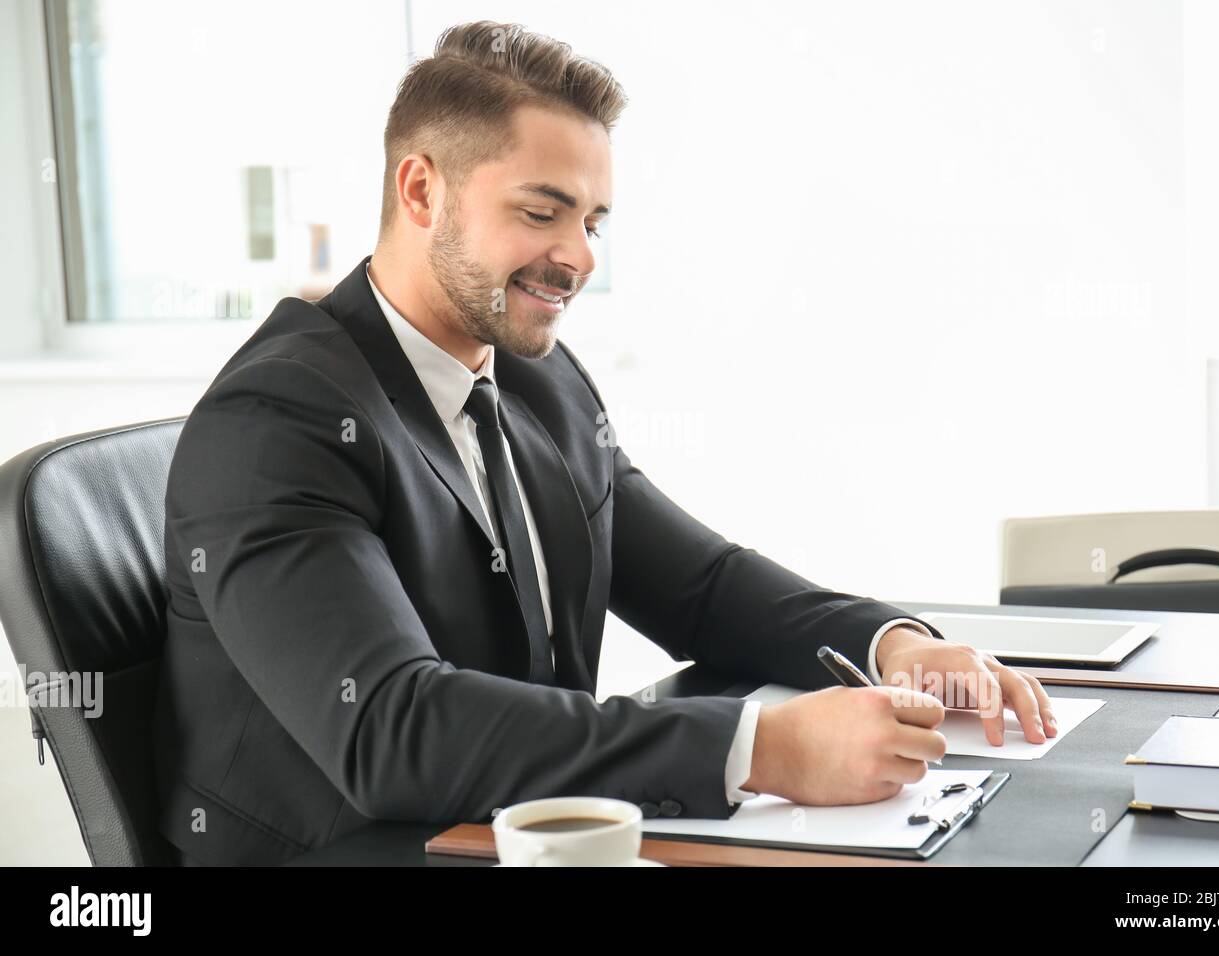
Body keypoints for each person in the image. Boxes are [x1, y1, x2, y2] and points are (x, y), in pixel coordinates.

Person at [153, 19, 1055, 866]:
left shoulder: (533, 376)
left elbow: (699, 588)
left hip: (522, 835)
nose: (580, 255)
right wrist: (762, 748)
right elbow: (389, 728)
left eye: (593, 222)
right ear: (421, 190)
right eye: (542, 212)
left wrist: (892, 642)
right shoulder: (277, 418)